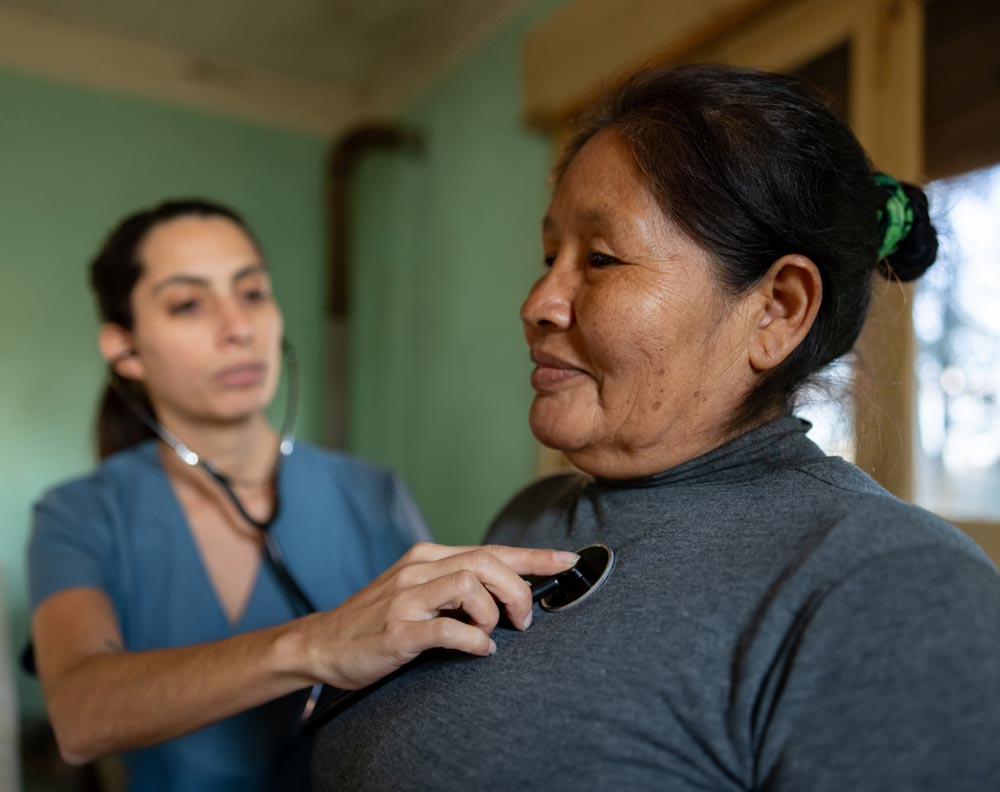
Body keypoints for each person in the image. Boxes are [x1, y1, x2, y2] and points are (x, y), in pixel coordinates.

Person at [310, 65, 1000, 790]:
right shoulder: (536, 516)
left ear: (777, 310)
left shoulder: (887, 585)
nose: (538, 302)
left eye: (601, 259)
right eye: (551, 257)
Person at [27, 199, 578, 791]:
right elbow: (80, 715)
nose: (237, 327)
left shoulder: (371, 493)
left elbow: (433, 691)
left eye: (253, 292)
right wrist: (316, 643)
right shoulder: (80, 514)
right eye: (188, 303)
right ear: (125, 350)